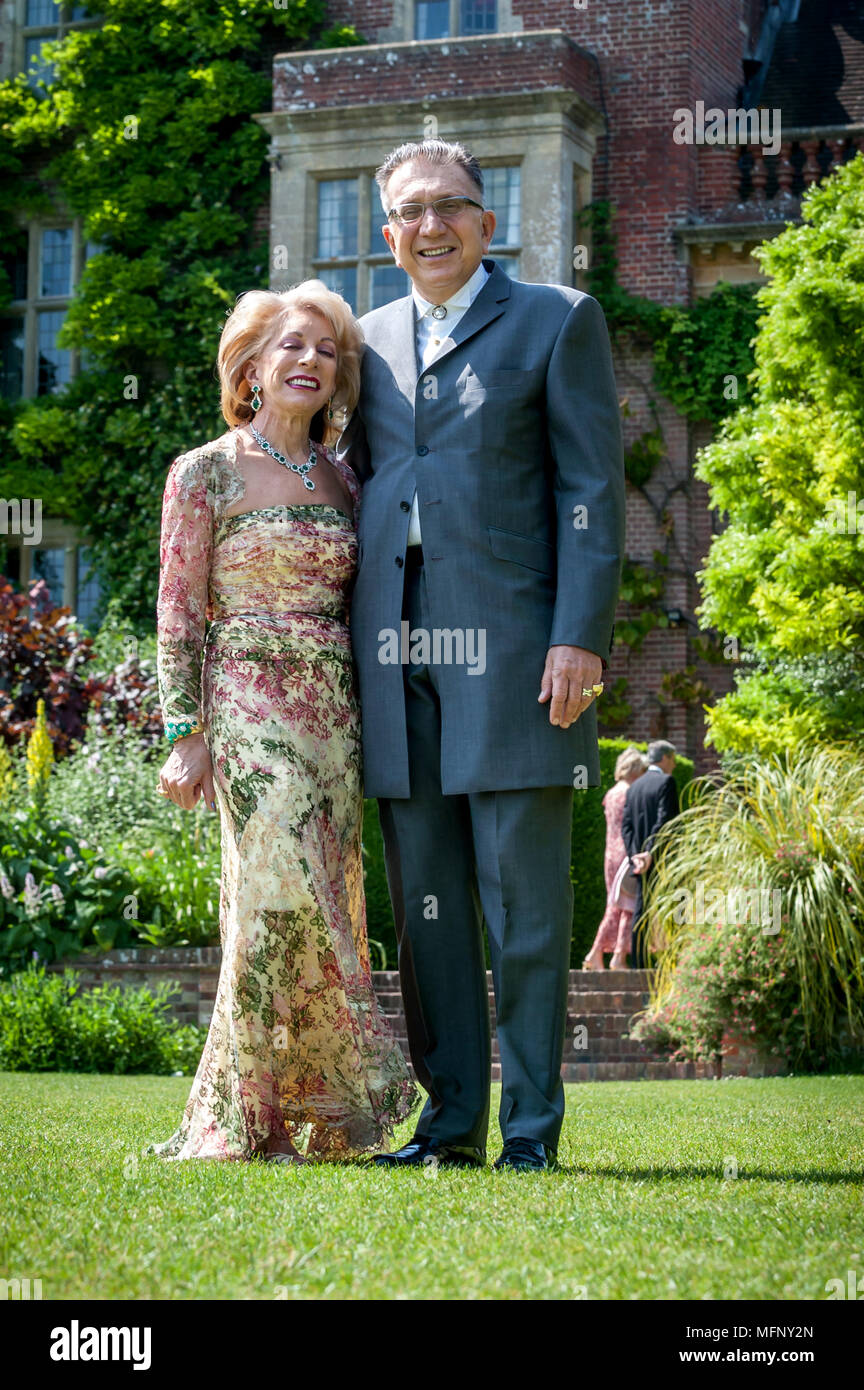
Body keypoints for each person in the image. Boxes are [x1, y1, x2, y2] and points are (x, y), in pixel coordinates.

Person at [340, 139, 625, 1172]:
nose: (431, 226)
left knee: (524, 911)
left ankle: (534, 1135)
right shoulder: (360, 341)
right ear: (387, 235)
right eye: (410, 212)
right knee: (428, 915)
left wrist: (579, 636)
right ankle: (450, 1124)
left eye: (451, 206)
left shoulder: (557, 318)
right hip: (393, 653)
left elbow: (589, 489)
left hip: (514, 653)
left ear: (485, 220)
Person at [147, 282, 418, 1164]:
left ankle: (325, 1114)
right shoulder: (205, 471)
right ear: (253, 365)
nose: (309, 362)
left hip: (335, 713)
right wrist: (185, 733)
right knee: (273, 895)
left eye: (327, 351)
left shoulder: (348, 476)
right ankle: (243, 1117)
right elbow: (179, 613)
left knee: (328, 904)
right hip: (246, 705)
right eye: (292, 347)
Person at [583, 745, 648, 971]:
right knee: (625, 903)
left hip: (610, 852)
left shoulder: (611, 792)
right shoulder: (630, 792)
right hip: (626, 852)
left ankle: (610, 955)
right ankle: (606, 953)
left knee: (618, 903)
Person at [621, 739, 680, 969]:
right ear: (664, 758)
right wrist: (651, 853)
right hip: (661, 859)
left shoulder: (634, 786)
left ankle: (639, 963)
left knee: (641, 909)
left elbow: (626, 826)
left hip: (639, 862)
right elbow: (666, 821)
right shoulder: (666, 782)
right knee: (672, 907)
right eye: (673, 760)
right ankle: (672, 961)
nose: (674, 765)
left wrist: (635, 856)